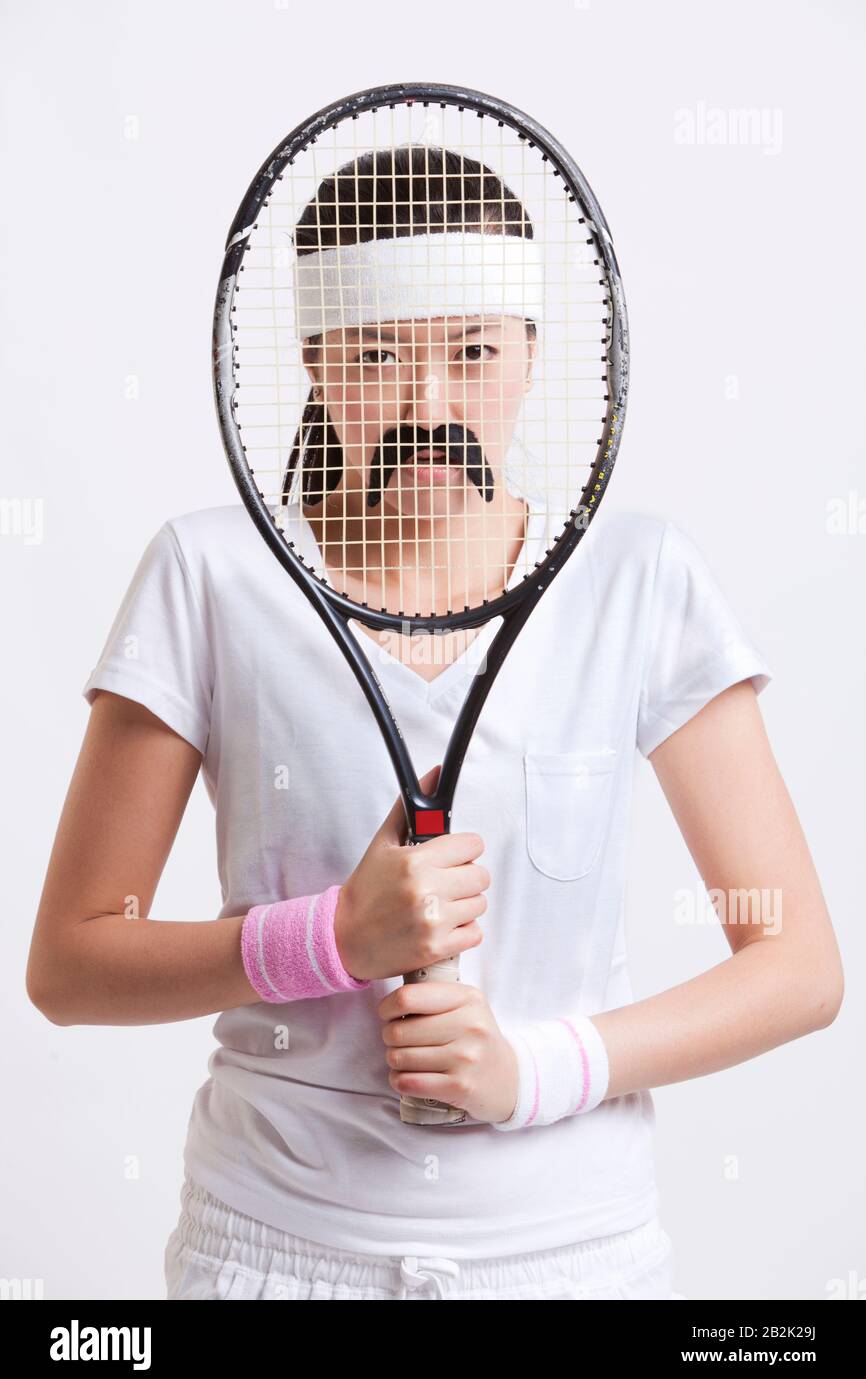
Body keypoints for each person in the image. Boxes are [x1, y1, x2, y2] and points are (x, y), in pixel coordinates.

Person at [26, 146, 843, 1301]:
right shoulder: (208, 575)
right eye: (374, 355)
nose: (428, 407)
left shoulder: (638, 577)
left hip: (574, 1260)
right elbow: (71, 963)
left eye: (472, 352)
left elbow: (798, 965)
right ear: (314, 359)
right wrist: (323, 941)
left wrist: (538, 1069)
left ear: (529, 358)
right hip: (270, 1253)